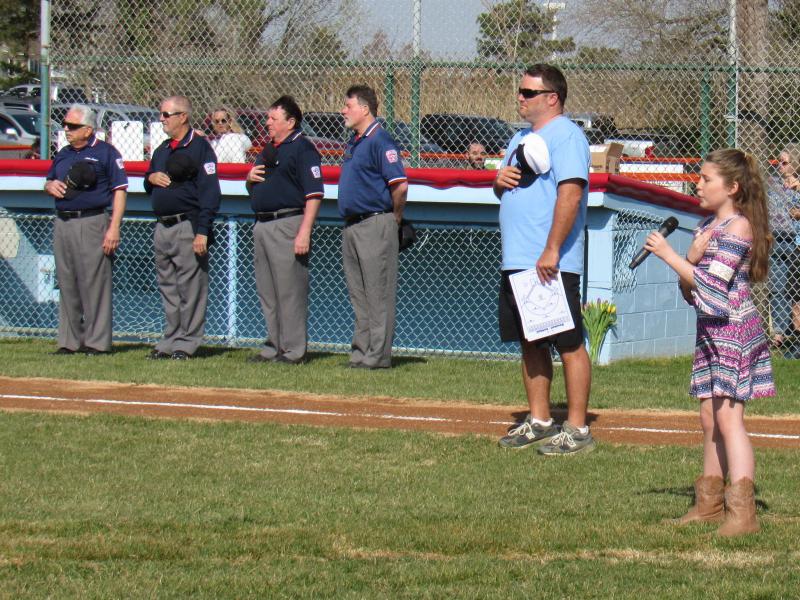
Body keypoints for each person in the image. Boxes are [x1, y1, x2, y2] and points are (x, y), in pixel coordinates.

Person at [644, 148, 774, 536]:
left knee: (729, 419)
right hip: (711, 332)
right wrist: (690, 255)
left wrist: (671, 256)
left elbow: (714, 292)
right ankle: (709, 504)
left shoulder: (738, 228)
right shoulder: (708, 226)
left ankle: (742, 512)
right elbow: (692, 293)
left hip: (734, 332)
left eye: (706, 179)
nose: (697, 184)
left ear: (732, 187)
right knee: (708, 417)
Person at [494, 64, 594, 456]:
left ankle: (578, 427)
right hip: (518, 258)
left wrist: (552, 248)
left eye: (528, 92)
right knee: (530, 340)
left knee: (567, 343)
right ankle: (538, 420)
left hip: (550, 260)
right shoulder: (520, 137)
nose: (520, 97)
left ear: (552, 98)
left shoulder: (567, 136)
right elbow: (511, 186)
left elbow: (570, 193)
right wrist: (496, 182)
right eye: (520, 91)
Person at [245, 96, 324, 364]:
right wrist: (249, 180)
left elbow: (314, 194)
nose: (267, 122)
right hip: (262, 224)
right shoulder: (269, 149)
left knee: (290, 291)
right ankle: (273, 346)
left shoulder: (303, 148)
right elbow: (257, 185)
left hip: (288, 223)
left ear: (290, 122)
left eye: (272, 118)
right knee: (268, 291)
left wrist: (305, 231)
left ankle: (293, 351)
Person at [44, 104, 127, 355]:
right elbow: (49, 179)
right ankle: (69, 342)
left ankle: (97, 343)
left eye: (73, 126)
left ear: (88, 129)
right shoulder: (63, 153)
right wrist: (49, 186)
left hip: (92, 221)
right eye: (66, 125)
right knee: (67, 281)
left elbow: (120, 190)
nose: (67, 130)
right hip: (63, 221)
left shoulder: (106, 153)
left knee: (94, 284)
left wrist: (114, 228)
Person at [144, 95, 221, 360]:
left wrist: (202, 230)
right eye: (161, 114)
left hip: (186, 225)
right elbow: (149, 181)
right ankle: (171, 338)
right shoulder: (163, 149)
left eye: (167, 114)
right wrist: (150, 177)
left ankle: (187, 342)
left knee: (190, 288)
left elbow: (210, 192)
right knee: (168, 286)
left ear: (183, 117)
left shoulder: (199, 148)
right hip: (162, 226)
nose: (161, 119)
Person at [338, 84, 408, 369]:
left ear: (365, 109)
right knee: (359, 294)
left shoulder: (381, 141)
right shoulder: (355, 142)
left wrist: (395, 218)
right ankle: (361, 351)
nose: (343, 111)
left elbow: (399, 186)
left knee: (378, 293)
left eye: (348, 105)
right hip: (353, 225)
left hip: (375, 222)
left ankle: (378, 355)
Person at [766, 145, 800, 348]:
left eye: (784, 162)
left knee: (794, 292)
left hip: (796, 243)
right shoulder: (774, 185)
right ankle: (779, 334)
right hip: (777, 240)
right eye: (779, 161)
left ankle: (795, 331)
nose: (780, 165)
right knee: (778, 289)